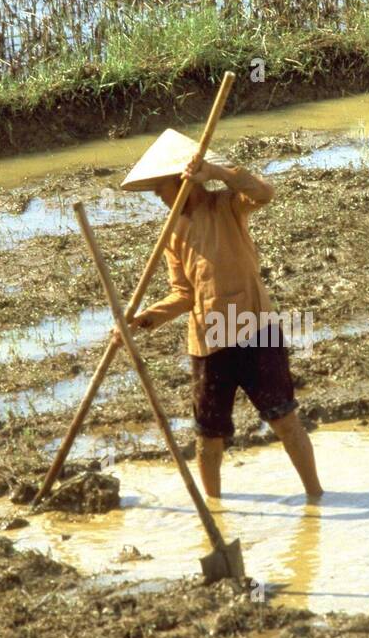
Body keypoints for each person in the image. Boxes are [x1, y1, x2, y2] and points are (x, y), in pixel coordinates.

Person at [115, 131, 322, 501]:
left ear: (184, 181)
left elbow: (264, 193)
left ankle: (315, 497)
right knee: (208, 437)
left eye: (163, 189)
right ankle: (216, 510)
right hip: (209, 341)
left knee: (284, 420)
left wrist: (217, 171)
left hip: (254, 328)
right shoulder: (172, 234)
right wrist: (143, 319)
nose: (161, 199)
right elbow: (183, 294)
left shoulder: (227, 204)